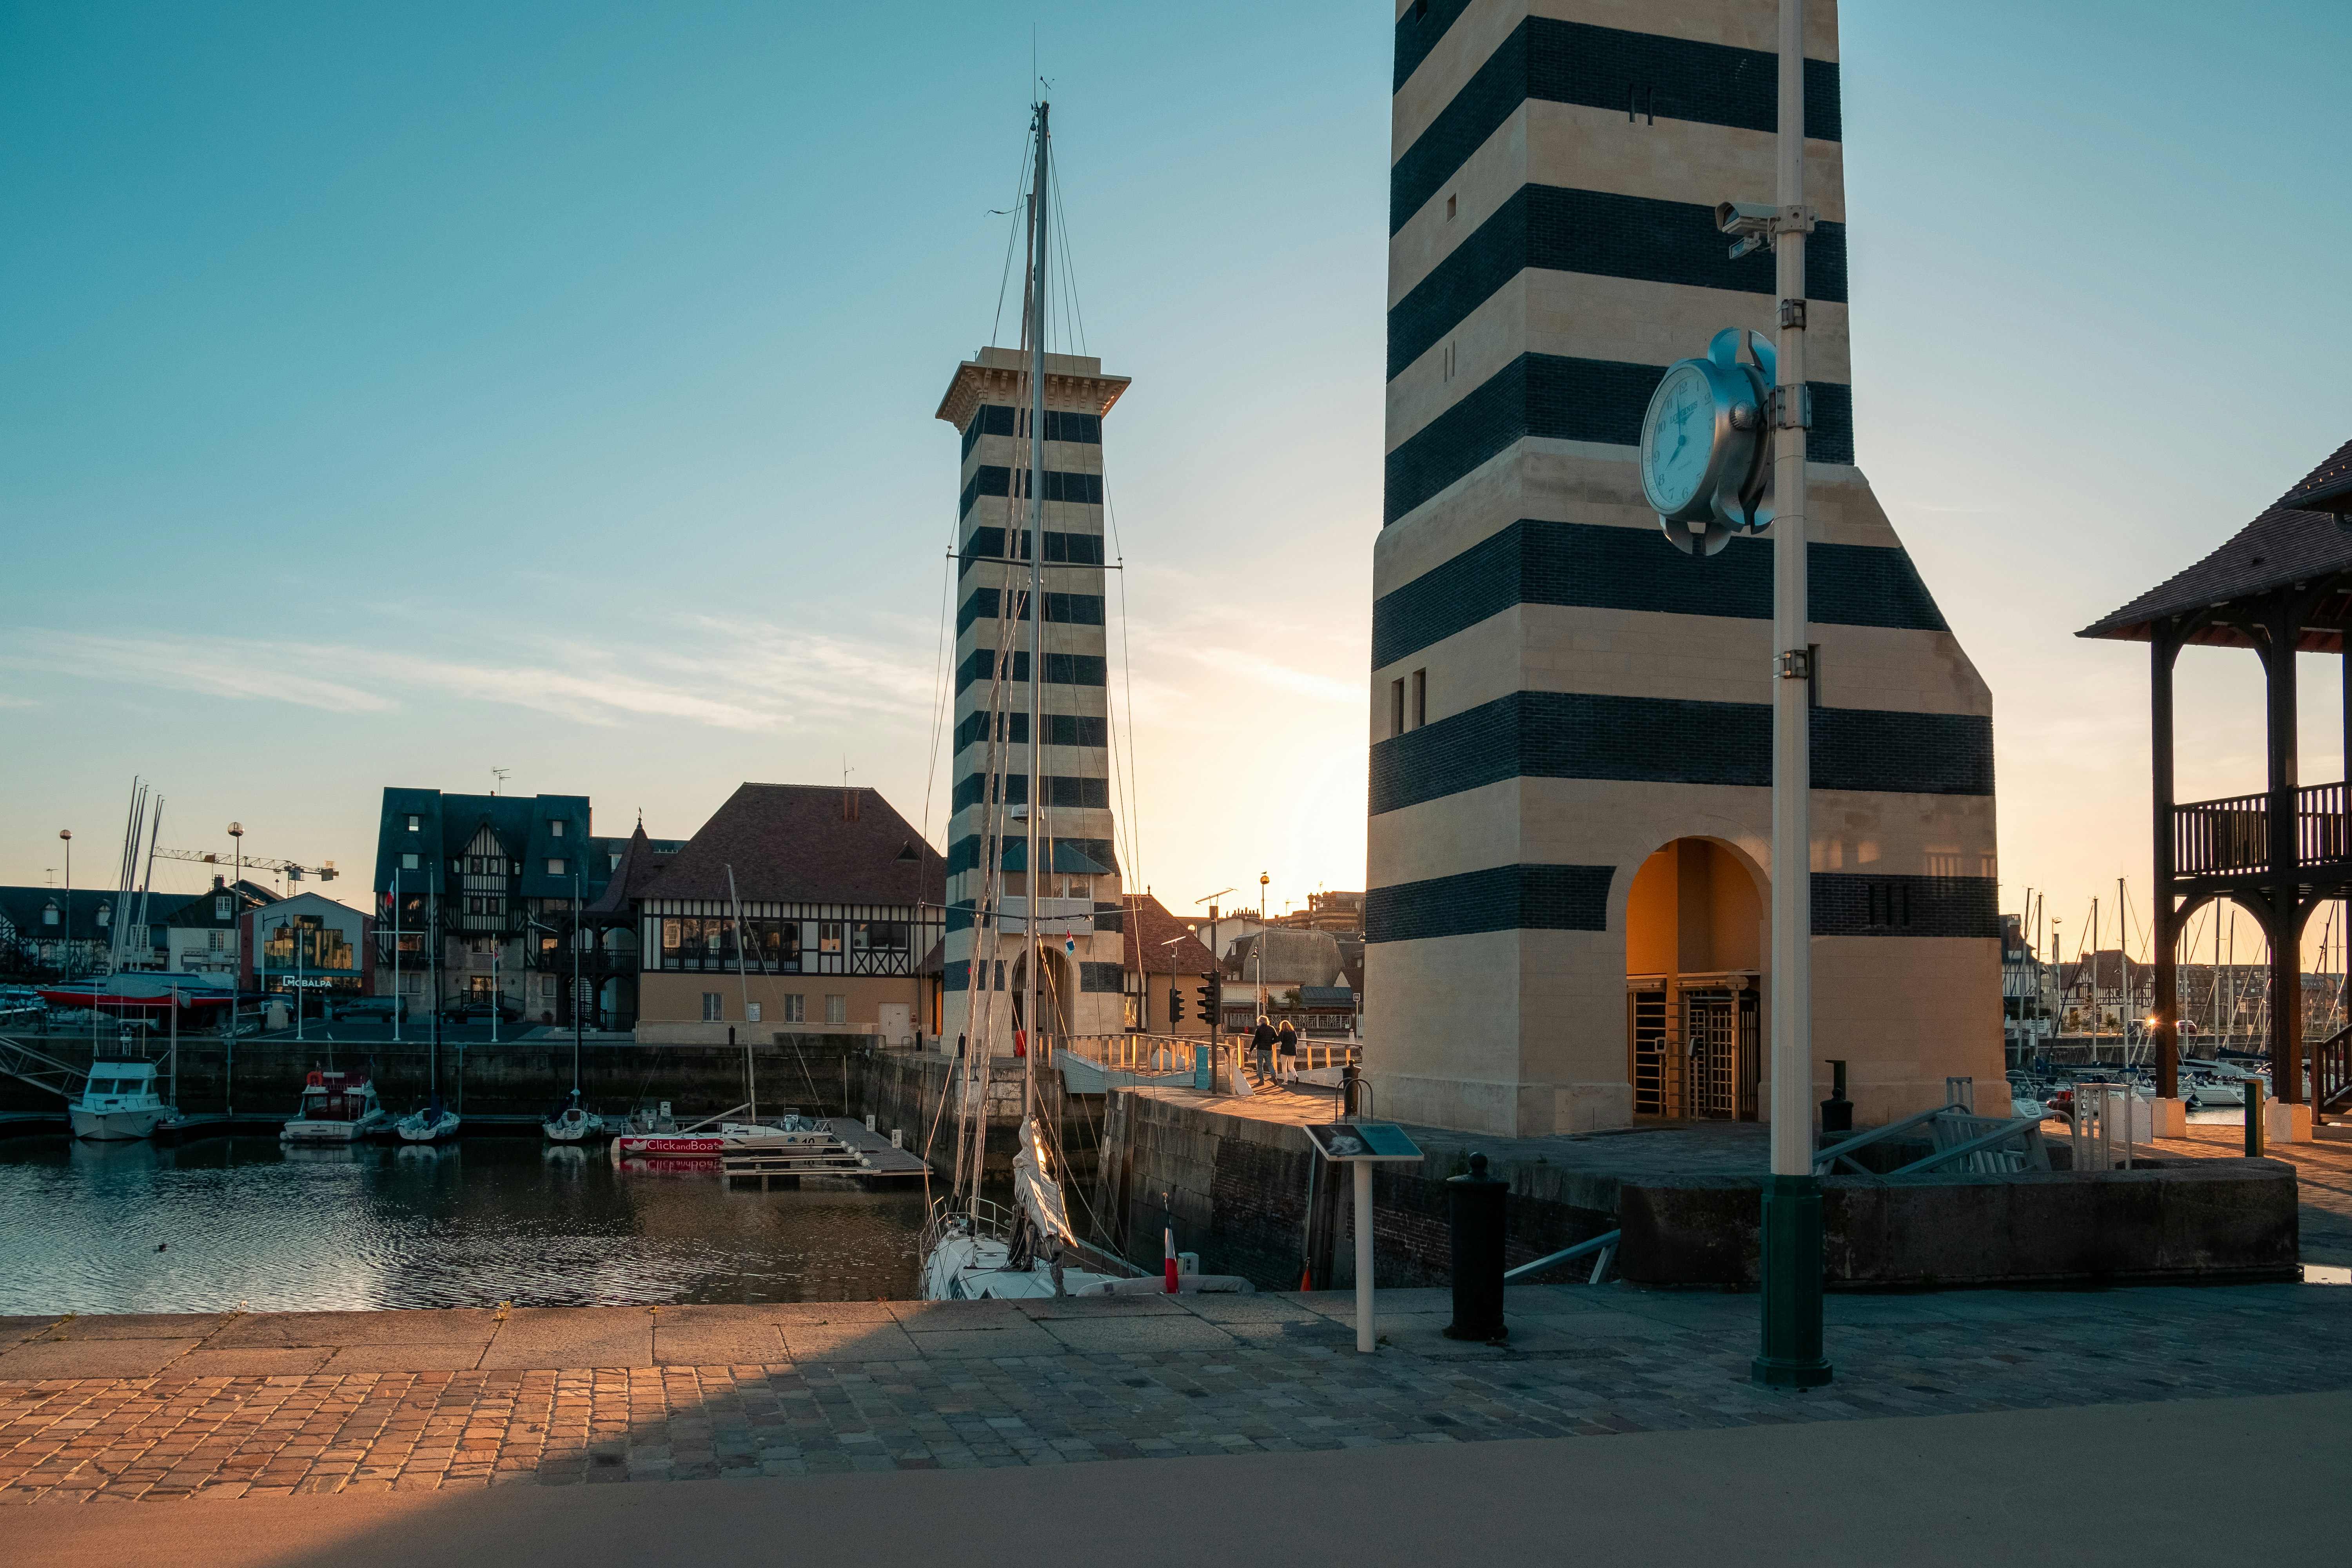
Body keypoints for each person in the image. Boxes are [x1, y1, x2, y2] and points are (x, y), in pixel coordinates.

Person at [1250, 1015, 1278, 1083]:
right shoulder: (1272, 1028)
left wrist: (1251, 1050)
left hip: (1260, 1049)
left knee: (1260, 1065)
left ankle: (1262, 1080)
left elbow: (1255, 1041)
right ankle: (1273, 1075)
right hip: (1268, 1049)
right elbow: (1277, 1038)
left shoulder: (1259, 1030)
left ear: (1260, 1022)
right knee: (1269, 1064)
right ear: (1267, 1021)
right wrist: (1272, 1042)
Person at [1275, 1018, 1299, 1084]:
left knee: (1284, 1066)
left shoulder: (1282, 1032)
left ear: (1282, 1026)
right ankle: (1295, 1076)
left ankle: (1286, 1081)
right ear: (1289, 1026)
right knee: (1291, 1067)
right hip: (1293, 1050)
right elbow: (1296, 1041)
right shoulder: (1293, 1032)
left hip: (1284, 1050)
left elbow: (1278, 1039)